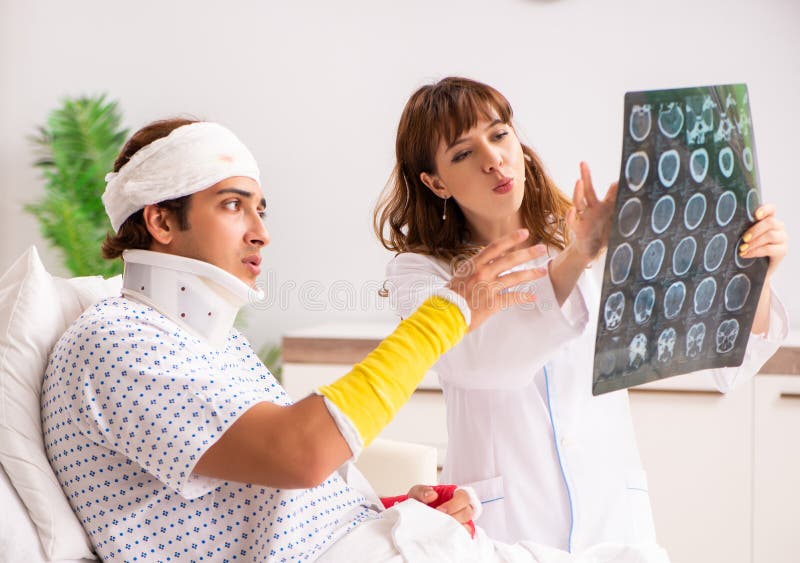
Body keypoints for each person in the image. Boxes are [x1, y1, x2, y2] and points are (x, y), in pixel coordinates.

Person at [41, 118, 669, 562]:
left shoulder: (212, 345)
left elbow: (271, 484)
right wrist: (447, 313)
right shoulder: (118, 341)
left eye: (263, 209)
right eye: (234, 206)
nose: (260, 232)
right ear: (159, 220)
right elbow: (299, 453)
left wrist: (397, 504)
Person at [374, 77, 789, 550]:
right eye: (463, 153)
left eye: (499, 133)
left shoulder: (590, 236)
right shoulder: (420, 272)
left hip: (614, 522)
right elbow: (478, 361)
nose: (493, 159)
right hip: (506, 532)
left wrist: (756, 276)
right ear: (435, 182)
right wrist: (578, 257)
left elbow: (719, 364)